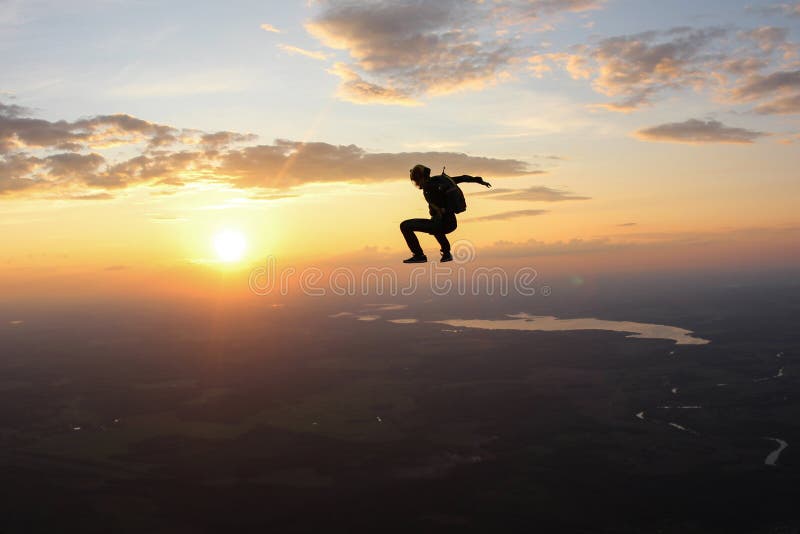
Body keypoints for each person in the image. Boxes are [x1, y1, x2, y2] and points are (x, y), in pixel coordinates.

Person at [400, 164, 491, 263]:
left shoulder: (429, 187)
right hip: (451, 223)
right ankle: (446, 253)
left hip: (442, 224)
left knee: (405, 226)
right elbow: (462, 178)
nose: (416, 183)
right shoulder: (439, 180)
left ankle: (419, 255)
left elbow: (439, 211)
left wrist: (437, 210)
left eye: (416, 180)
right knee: (434, 222)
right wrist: (479, 180)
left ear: (421, 178)